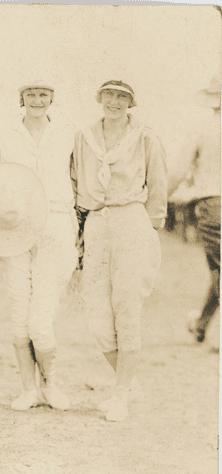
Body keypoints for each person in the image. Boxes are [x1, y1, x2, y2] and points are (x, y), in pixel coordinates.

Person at [71, 80, 167, 422]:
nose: (115, 102)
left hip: (131, 222)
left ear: (131, 103)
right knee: (97, 315)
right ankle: (129, 382)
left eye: (122, 97)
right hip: (97, 223)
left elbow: (157, 186)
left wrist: (149, 230)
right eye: (109, 95)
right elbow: (75, 182)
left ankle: (122, 393)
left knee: (127, 309)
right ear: (99, 98)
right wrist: (80, 232)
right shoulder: (84, 137)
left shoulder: (144, 137)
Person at [0, 80, 78, 411]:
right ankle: (28, 388)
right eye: (31, 94)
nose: (37, 100)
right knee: (19, 315)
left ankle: (51, 385)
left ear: (52, 98)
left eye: (44, 94)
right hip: (15, 227)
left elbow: (78, 181)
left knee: (40, 322)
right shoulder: (7, 135)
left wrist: (78, 229)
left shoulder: (68, 134)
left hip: (56, 224)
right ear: (21, 98)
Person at [167, 77, 220, 346]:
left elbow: (177, 171)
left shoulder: (201, 128)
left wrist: (157, 201)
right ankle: (202, 323)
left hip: (213, 203)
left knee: (220, 271)